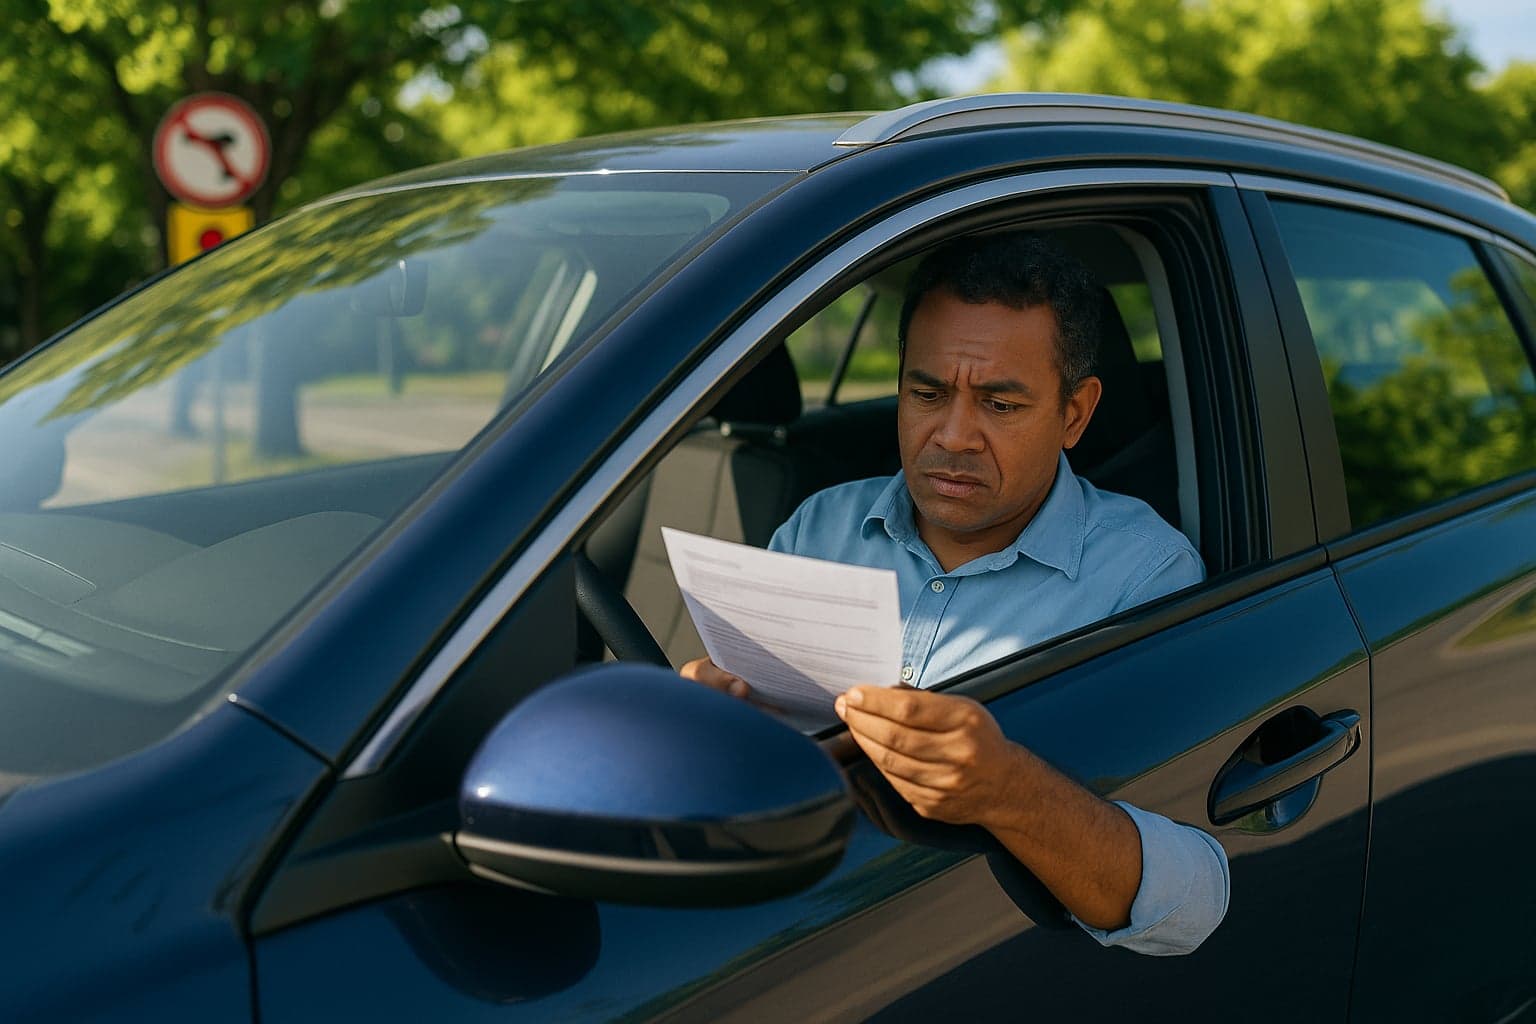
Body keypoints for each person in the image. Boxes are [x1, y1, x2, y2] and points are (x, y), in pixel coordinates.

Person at [683, 232, 1229, 956]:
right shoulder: (821, 524)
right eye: (926, 392)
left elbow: (1193, 905)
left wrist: (1005, 789)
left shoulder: (1143, 575)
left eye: (1001, 405)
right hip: (787, 926)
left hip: (965, 954)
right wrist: (716, 713)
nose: (954, 434)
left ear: (1074, 413)